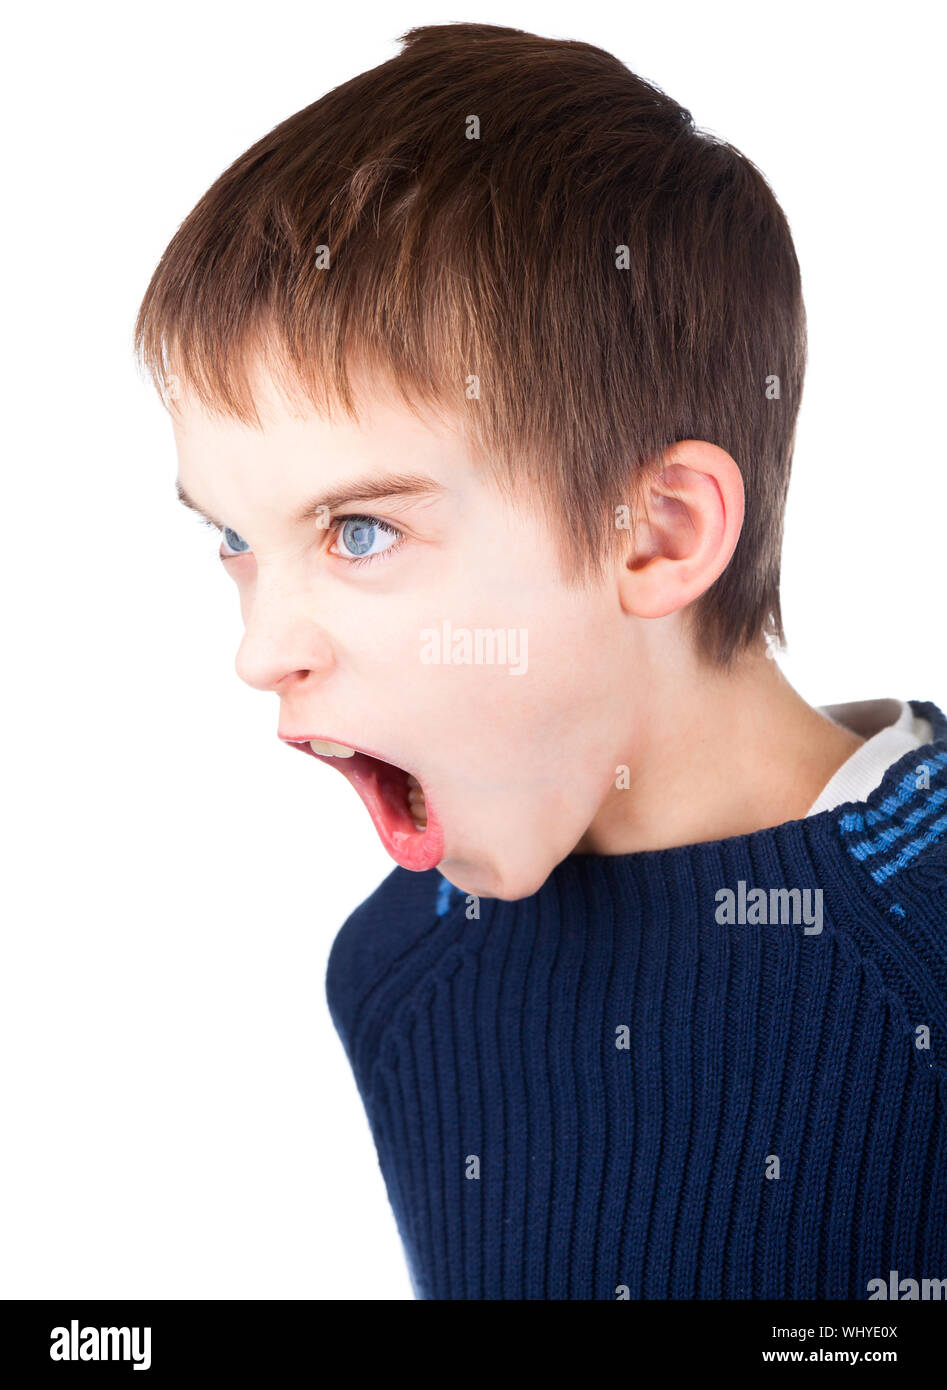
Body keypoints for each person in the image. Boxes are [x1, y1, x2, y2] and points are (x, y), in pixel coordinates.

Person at [134, 22, 947, 1299]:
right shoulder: (399, 975)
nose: (259, 648)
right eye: (234, 538)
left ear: (659, 535)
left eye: (358, 530)